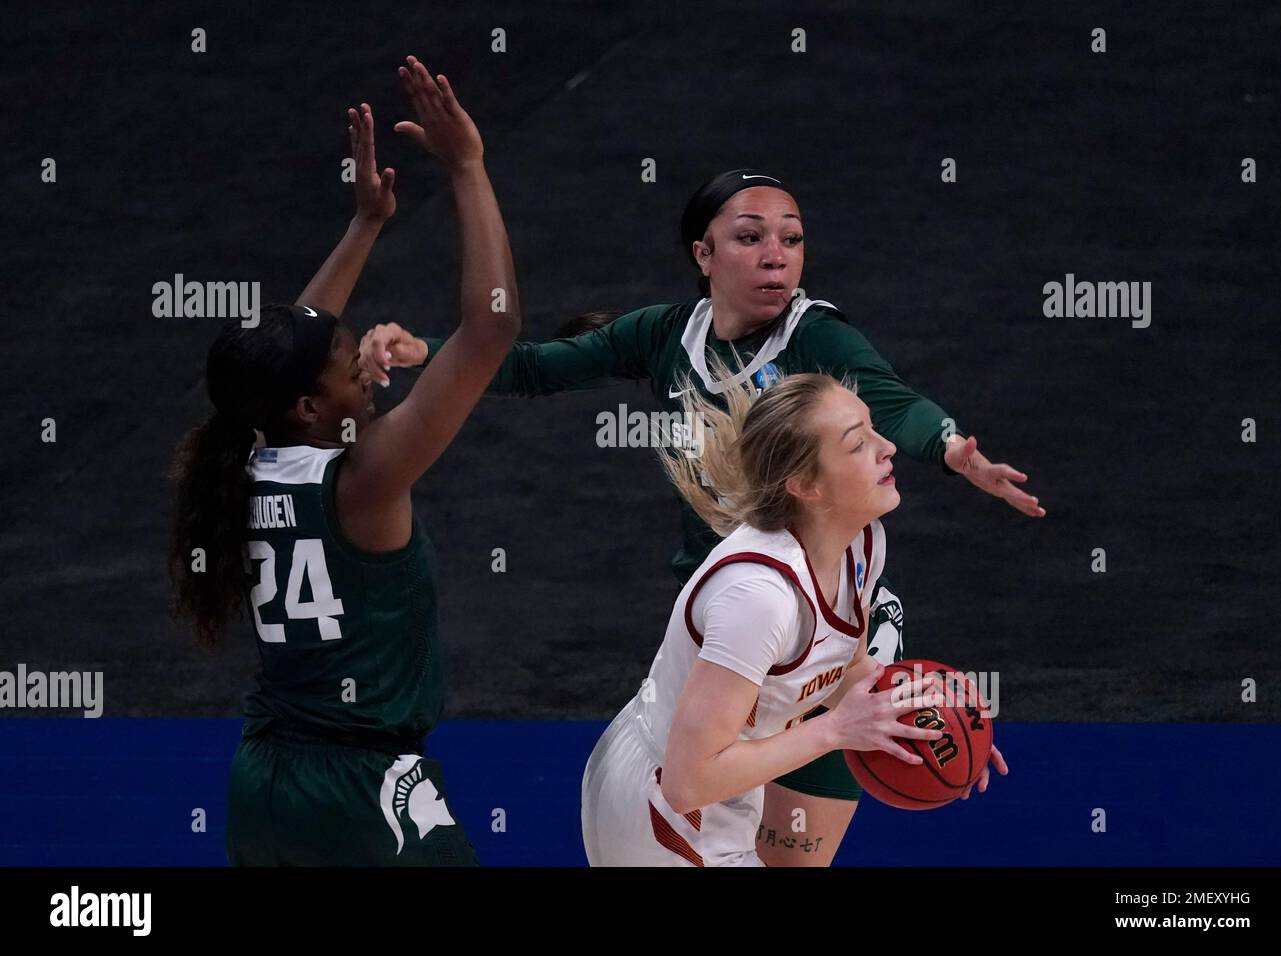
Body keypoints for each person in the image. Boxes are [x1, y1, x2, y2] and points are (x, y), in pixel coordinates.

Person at [362, 168, 1032, 864]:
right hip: (748, 632)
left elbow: (893, 398)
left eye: (792, 239)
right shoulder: (667, 338)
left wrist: (953, 448)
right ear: (702, 254)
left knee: (792, 852)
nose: (777, 254)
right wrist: (429, 353)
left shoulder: (820, 348)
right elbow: (535, 367)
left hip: (812, 639)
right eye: (750, 237)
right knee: (712, 770)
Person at [167, 58, 520, 865]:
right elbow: (492, 328)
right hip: (366, 796)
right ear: (308, 408)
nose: (361, 353)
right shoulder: (363, 479)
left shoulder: (244, 453)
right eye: (344, 358)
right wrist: (466, 166)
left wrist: (367, 223)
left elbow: (284, 351)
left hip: (263, 784)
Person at [581, 371, 1002, 865]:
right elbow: (686, 782)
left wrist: (940, 728)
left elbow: (845, 668)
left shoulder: (862, 543)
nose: (888, 447)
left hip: (718, 787)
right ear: (804, 485)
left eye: (873, 429)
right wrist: (837, 730)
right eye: (857, 443)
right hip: (662, 811)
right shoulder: (760, 598)